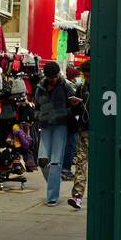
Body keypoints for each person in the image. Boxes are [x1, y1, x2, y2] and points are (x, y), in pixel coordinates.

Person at [36, 60, 80, 205]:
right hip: (46, 125)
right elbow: (36, 106)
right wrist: (38, 115)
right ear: (46, 76)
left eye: (55, 76)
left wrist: (68, 111)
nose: (53, 79)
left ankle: (52, 197)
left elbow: (75, 103)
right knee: (42, 160)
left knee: (55, 162)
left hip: (61, 125)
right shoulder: (40, 88)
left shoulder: (65, 86)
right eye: (51, 77)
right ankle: (55, 181)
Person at [66, 61, 91, 209]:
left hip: (93, 129)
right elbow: (74, 111)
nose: (86, 77)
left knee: (84, 163)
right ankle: (77, 196)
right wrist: (75, 105)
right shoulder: (82, 87)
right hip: (84, 129)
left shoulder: (102, 86)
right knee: (81, 163)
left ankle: (79, 195)